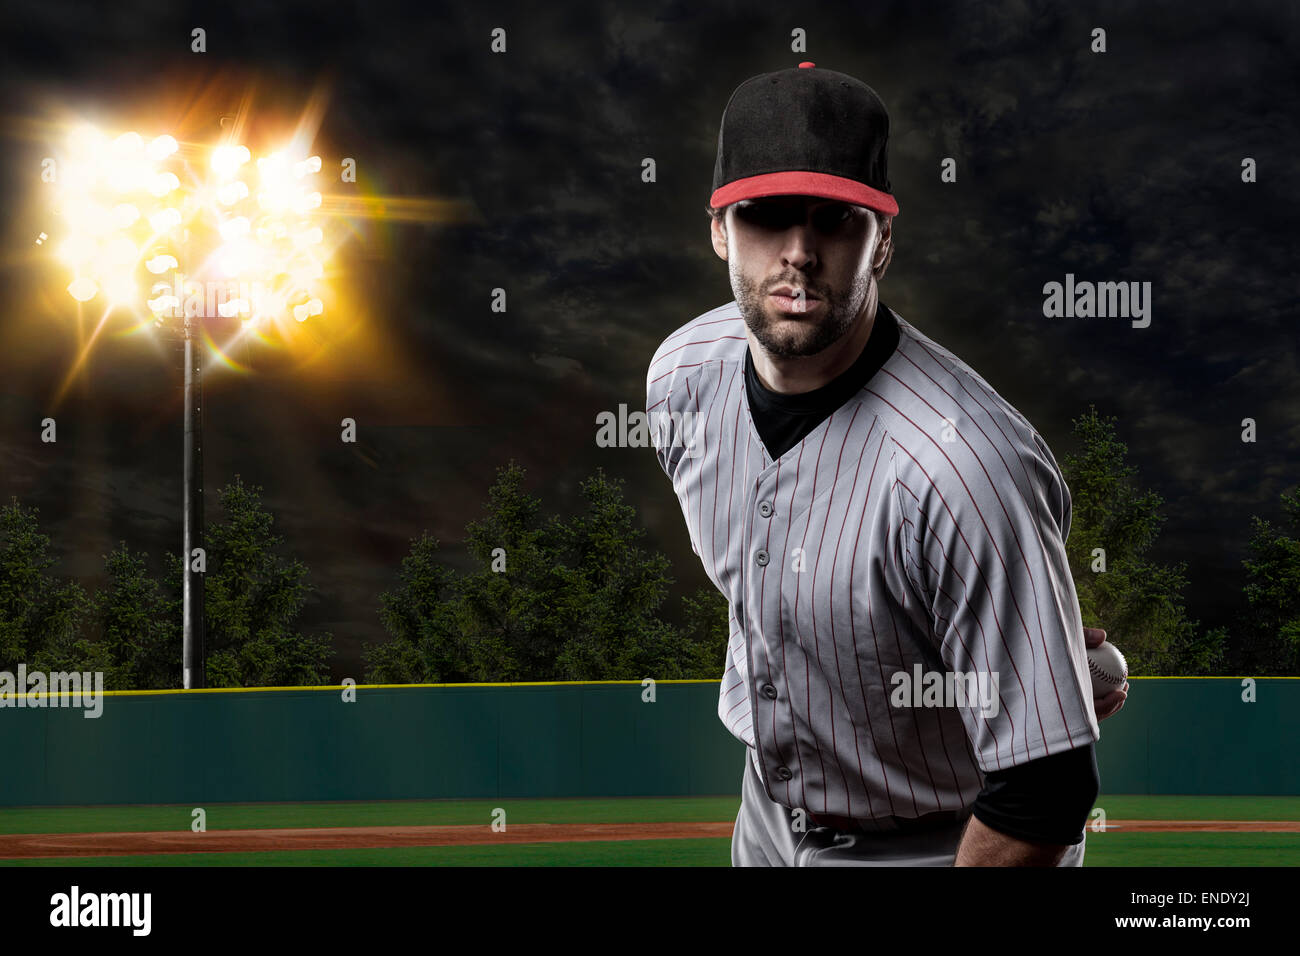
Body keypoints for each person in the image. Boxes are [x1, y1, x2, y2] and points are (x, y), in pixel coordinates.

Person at [645, 62, 1128, 867]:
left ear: (884, 240)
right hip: (764, 820)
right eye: (766, 215)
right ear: (720, 229)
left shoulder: (967, 468)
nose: (799, 252)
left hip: (943, 843)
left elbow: (1045, 794)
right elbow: (768, 581)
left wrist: (1015, 659)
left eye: (836, 219)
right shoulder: (680, 381)